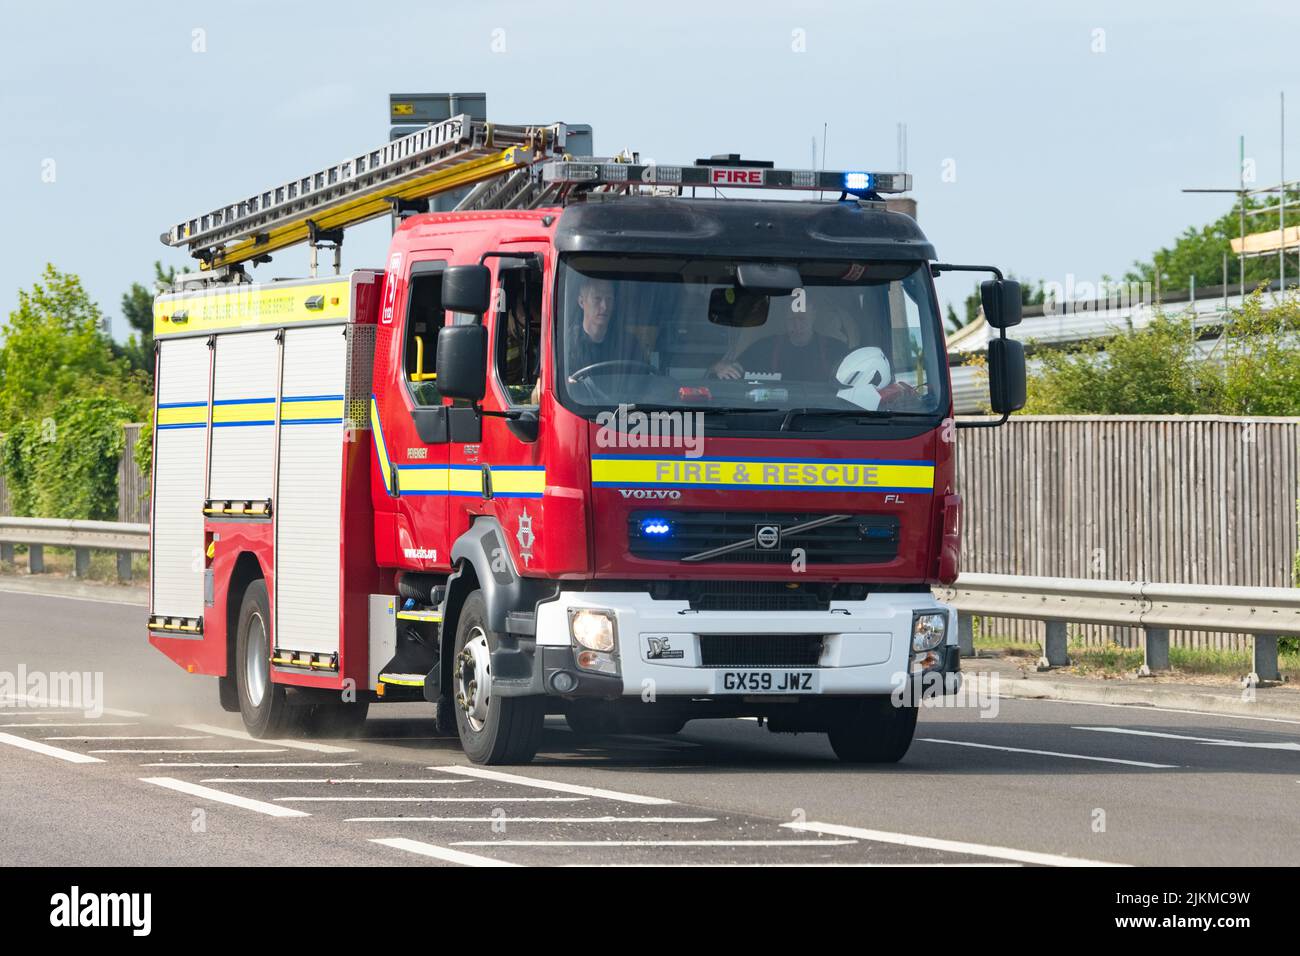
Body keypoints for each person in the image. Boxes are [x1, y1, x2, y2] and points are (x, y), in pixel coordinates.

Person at [711, 307, 850, 382]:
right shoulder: (764, 347)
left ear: (814, 315)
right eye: (792, 319)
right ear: (784, 318)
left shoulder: (836, 349)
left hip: (824, 415)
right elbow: (734, 370)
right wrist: (719, 367)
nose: (797, 326)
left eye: (802, 319)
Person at [565, 274, 646, 375]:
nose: (605, 306)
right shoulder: (566, 345)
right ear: (581, 302)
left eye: (609, 299)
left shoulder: (629, 345)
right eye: (597, 299)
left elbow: (643, 380)